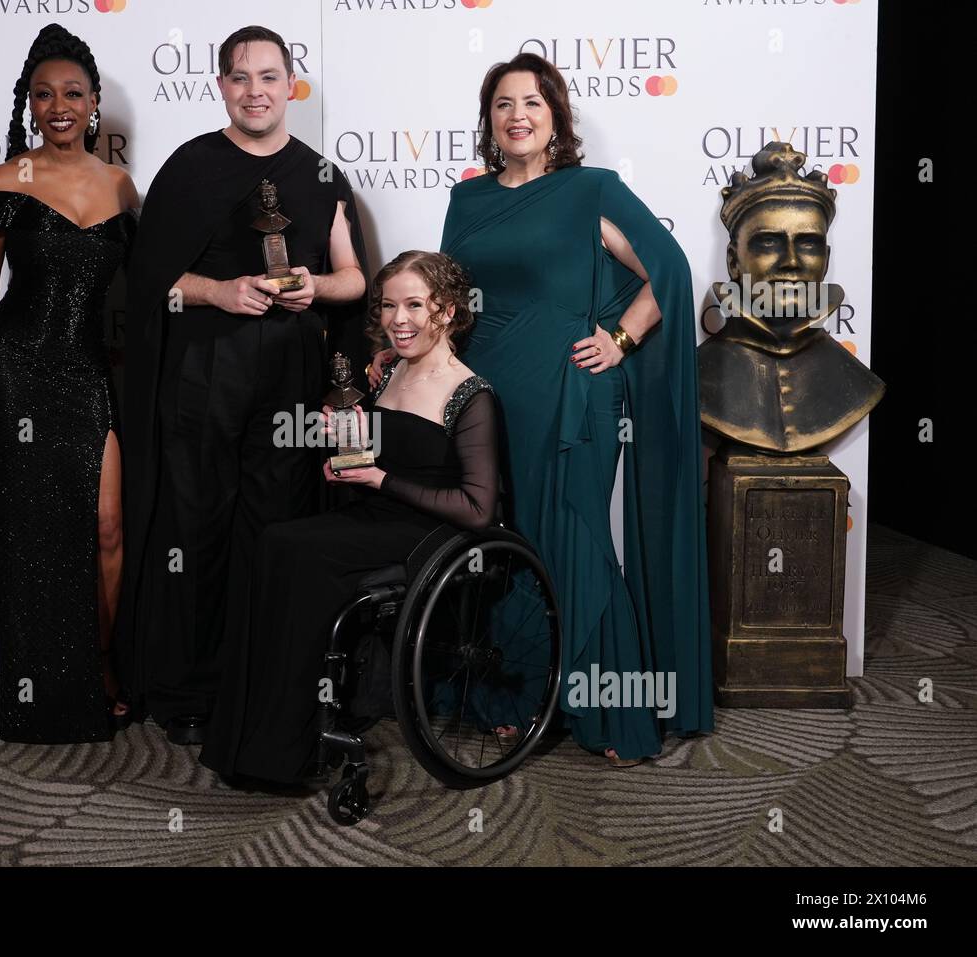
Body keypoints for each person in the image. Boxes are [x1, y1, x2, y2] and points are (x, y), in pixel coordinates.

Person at [438, 53, 713, 766]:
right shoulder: (466, 199)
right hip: (487, 397)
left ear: (556, 115)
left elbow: (670, 272)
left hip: (571, 393)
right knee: (506, 542)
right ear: (488, 120)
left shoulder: (591, 191)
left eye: (532, 101)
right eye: (502, 103)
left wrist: (622, 337)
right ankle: (519, 695)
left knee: (574, 539)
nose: (517, 114)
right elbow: (451, 302)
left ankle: (610, 711)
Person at [119, 25, 373, 745]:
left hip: (290, 379)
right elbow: (147, 282)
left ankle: (265, 682)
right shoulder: (190, 168)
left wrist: (313, 285)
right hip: (202, 375)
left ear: (290, 85)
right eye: (240, 77)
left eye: (268, 77)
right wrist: (217, 292)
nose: (255, 90)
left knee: (276, 525)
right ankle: (189, 690)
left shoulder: (323, 175)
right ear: (221, 87)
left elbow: (355, 277)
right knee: (194, 530)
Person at [201, 250, 498, 784]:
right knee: (270, 539)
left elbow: (477, 509)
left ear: (447, 311)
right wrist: (347, 439)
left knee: (297, 552)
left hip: (428, 533)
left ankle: (286, 746)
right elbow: (380, 452)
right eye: (388, 306)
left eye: (414, 305)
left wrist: (379, 478)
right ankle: (254, 734)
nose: (397, 320)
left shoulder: (469, 394)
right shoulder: (388, 373)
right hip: (372, 514)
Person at [0, 23, 138, 743]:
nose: (58, 106)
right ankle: (41, 694)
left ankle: (98, 663)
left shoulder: (121, 185)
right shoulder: (2, 181)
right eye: (43, 94)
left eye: (73, 93)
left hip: (87, 371)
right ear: (29, 104)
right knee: (32, 537)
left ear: (94, 105)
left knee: (108, 528)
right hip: (15, 370)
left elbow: (144, 290)